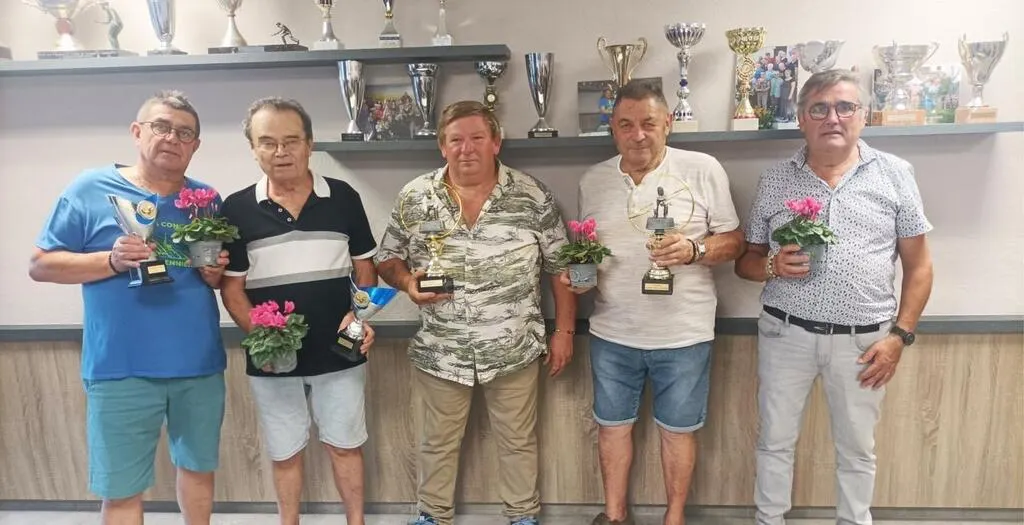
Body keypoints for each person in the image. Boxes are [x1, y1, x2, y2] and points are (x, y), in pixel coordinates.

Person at [735, 69, 934, 525]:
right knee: (774, 442)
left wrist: (899, 336)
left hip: (865, 343)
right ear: (802, 118)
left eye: (845, 107)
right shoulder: (775, 180)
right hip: (786, 335)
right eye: (820, 108)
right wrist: (772, 265)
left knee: (857, 449)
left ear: (862, 116)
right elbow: (746, 262)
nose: (833, 117)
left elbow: (920, 266)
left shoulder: (895, 174)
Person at [29, 90, 229, 525]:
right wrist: (111, 260)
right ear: (137, 132)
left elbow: (210, 278)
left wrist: (213, 272)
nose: (172, 138)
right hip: (120, 367)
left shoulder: (207, 200)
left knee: (199, 470)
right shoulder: (90, 189)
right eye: (161, 127)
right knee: (121, 490)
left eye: (184, 133)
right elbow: (40, 265)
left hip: (198, 364)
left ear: (195, 146)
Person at [374, 100, 577, 525]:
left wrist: (564, 332)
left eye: (477, 138)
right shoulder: (415, 196)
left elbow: (562, 269)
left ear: (495, 142)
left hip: (513, 348)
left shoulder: (532, 195)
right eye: (455, 140)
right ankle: (432, 516)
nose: (466, 148)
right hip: (441, 350)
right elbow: (387, 259)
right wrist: (408, 283)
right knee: (436, 442)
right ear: (442, 146)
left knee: (518, 441)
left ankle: (522, 516)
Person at [563, 80, 743, 525]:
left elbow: (735, 241)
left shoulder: (703, 168)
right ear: (613, 128)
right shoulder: (593, 181)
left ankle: (674, 518)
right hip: (612, 332)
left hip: (683, 334)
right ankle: (614, 517)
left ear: (668, 122)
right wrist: (580, 278)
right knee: (611, 427)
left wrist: (696, 250)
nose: (638, 134)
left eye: (648, 123)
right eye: (626, 124)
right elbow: (589, 250)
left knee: (678, 431)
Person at [219, 97, 378, 525]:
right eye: (267, 142)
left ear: (309, 144)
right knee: (284, 449)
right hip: (272, 355)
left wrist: (360, 317)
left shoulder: (343, 197)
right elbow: (232, 289)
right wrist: (261, 335)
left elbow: (366, 268)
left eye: (291, 141)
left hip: (340, 348)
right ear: (253, 148)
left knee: (345, 444)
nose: (280, 151)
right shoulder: (235, 209)